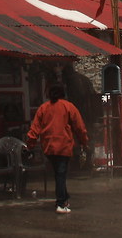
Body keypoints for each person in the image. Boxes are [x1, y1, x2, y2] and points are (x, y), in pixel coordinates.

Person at [26, 83, 88, 214]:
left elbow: (35, 128)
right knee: (61, 173)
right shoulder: (68, 107)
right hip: (64, 145)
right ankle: (61, 203)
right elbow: (79, 127)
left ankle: (65, 197)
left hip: (48, 146)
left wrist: (30, 145)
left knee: (58, 172)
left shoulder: (43, 108)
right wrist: (84, 142)